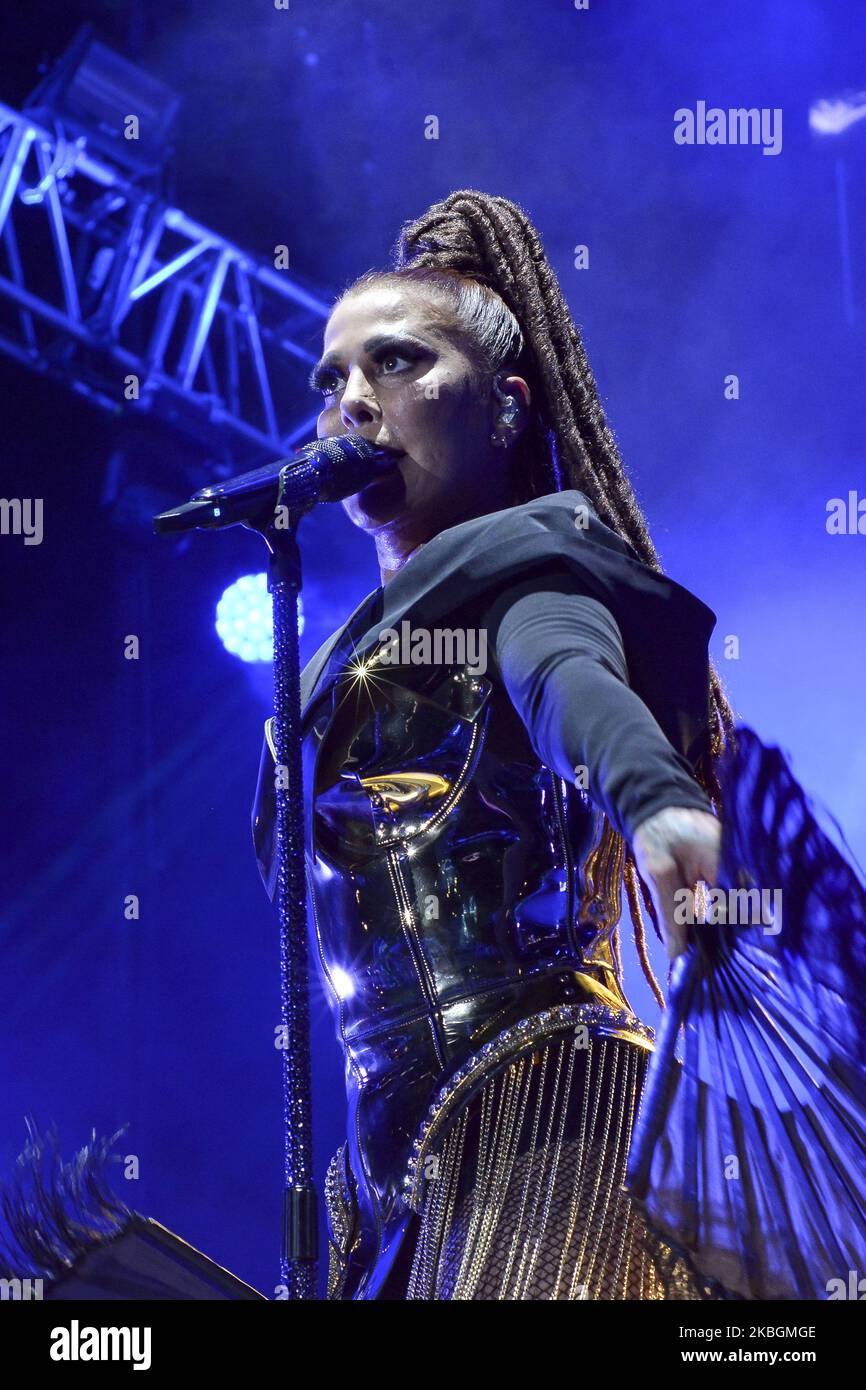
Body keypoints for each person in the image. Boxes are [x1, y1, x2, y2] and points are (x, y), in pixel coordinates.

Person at [252, 189, 740, 1301]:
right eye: (331, 381)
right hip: (399, 1175)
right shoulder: (345, 655)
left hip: (541, 1125)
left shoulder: (525, 578)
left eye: (396, 364)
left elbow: (567, 676)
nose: (352, 404)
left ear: (506, 408)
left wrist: (656, 800)